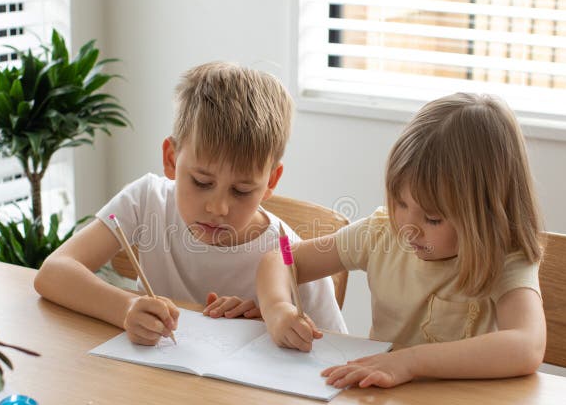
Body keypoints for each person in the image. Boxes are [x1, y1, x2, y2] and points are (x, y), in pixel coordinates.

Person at [35, 62, 346, 345]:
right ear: (171, 159)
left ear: (271, 182)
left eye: (241, 190)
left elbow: (335, 350)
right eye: (201, 182)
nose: (217, 207)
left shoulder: (290, 254)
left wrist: (270, 326)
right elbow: (53, 273)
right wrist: (126, 307)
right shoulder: (146, 199)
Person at [256, 92, 545, 388]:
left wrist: (411, 362)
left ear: (485, 214)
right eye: (400, 203)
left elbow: (527, 346)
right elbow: (278, 260)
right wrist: (278, 310)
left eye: (432, 218)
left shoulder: (506, 260)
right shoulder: (382, 234)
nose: (408, 227)